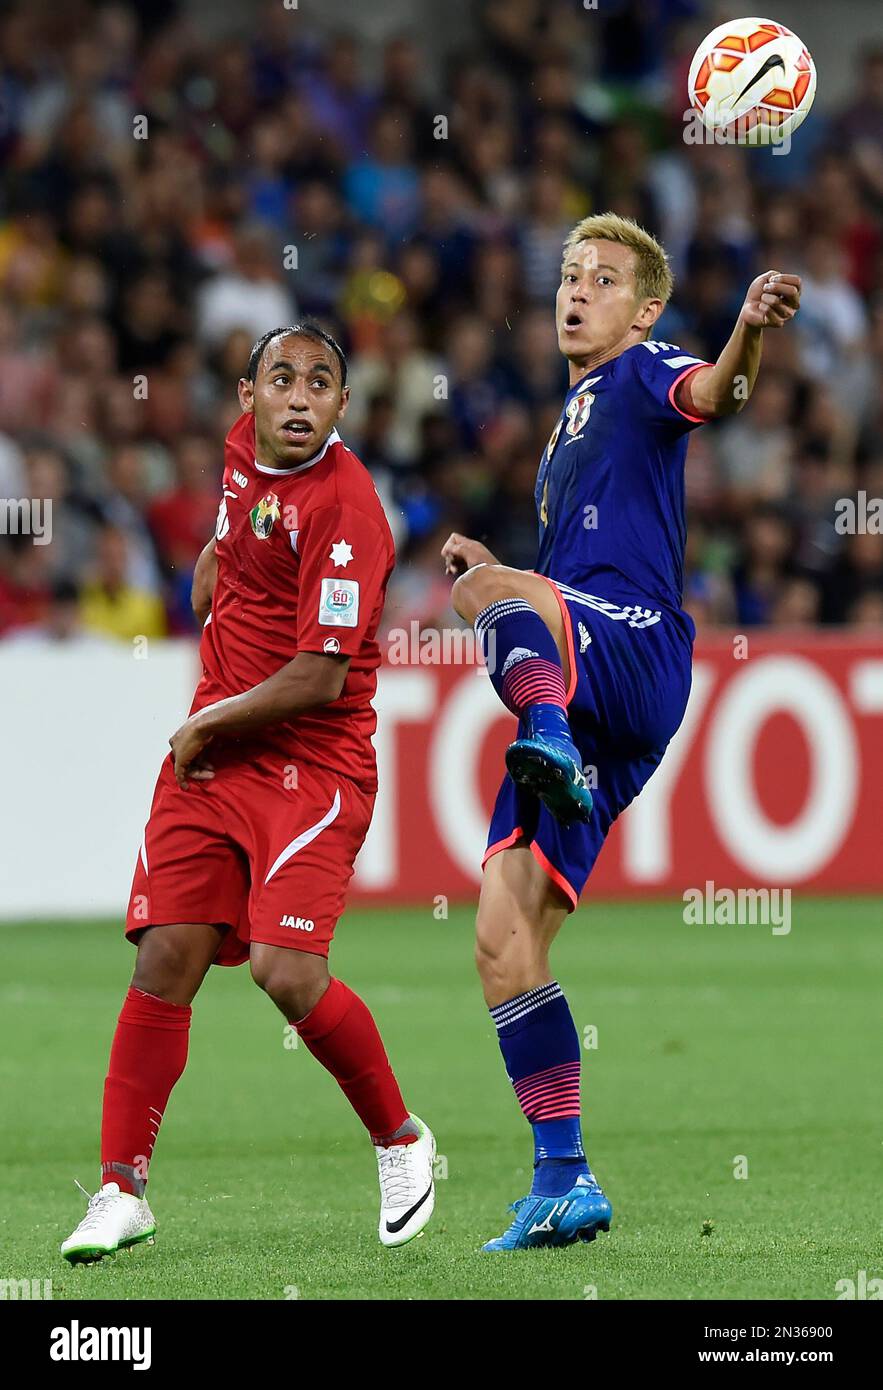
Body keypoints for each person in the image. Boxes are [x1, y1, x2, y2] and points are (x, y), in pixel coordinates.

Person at [441, 213, 801, 1251]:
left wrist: (746, 331)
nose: (575, 291)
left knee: (492, 594)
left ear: (643, 310)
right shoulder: (566, 427)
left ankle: (542, 729)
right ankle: (563, 1176)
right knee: (501, 940)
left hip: (633, 651)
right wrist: (499, 571)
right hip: (594, 677)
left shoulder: (645, 370)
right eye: (566, 276)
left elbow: (716, 395)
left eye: (602, 280)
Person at [61, 324, 436, 1263]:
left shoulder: (348, 506)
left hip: (311, 763)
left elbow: (316, 676)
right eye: (283, 380)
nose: (301, 396)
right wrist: (215, 577)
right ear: (248, 397)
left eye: (321, 383)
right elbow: (233, 545)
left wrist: (206, 722)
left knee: (285, 971)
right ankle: (122, 1189)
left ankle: (401, 1141)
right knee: (164, 956)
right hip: (216, 757)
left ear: (344, 406)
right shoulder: (241, 462)